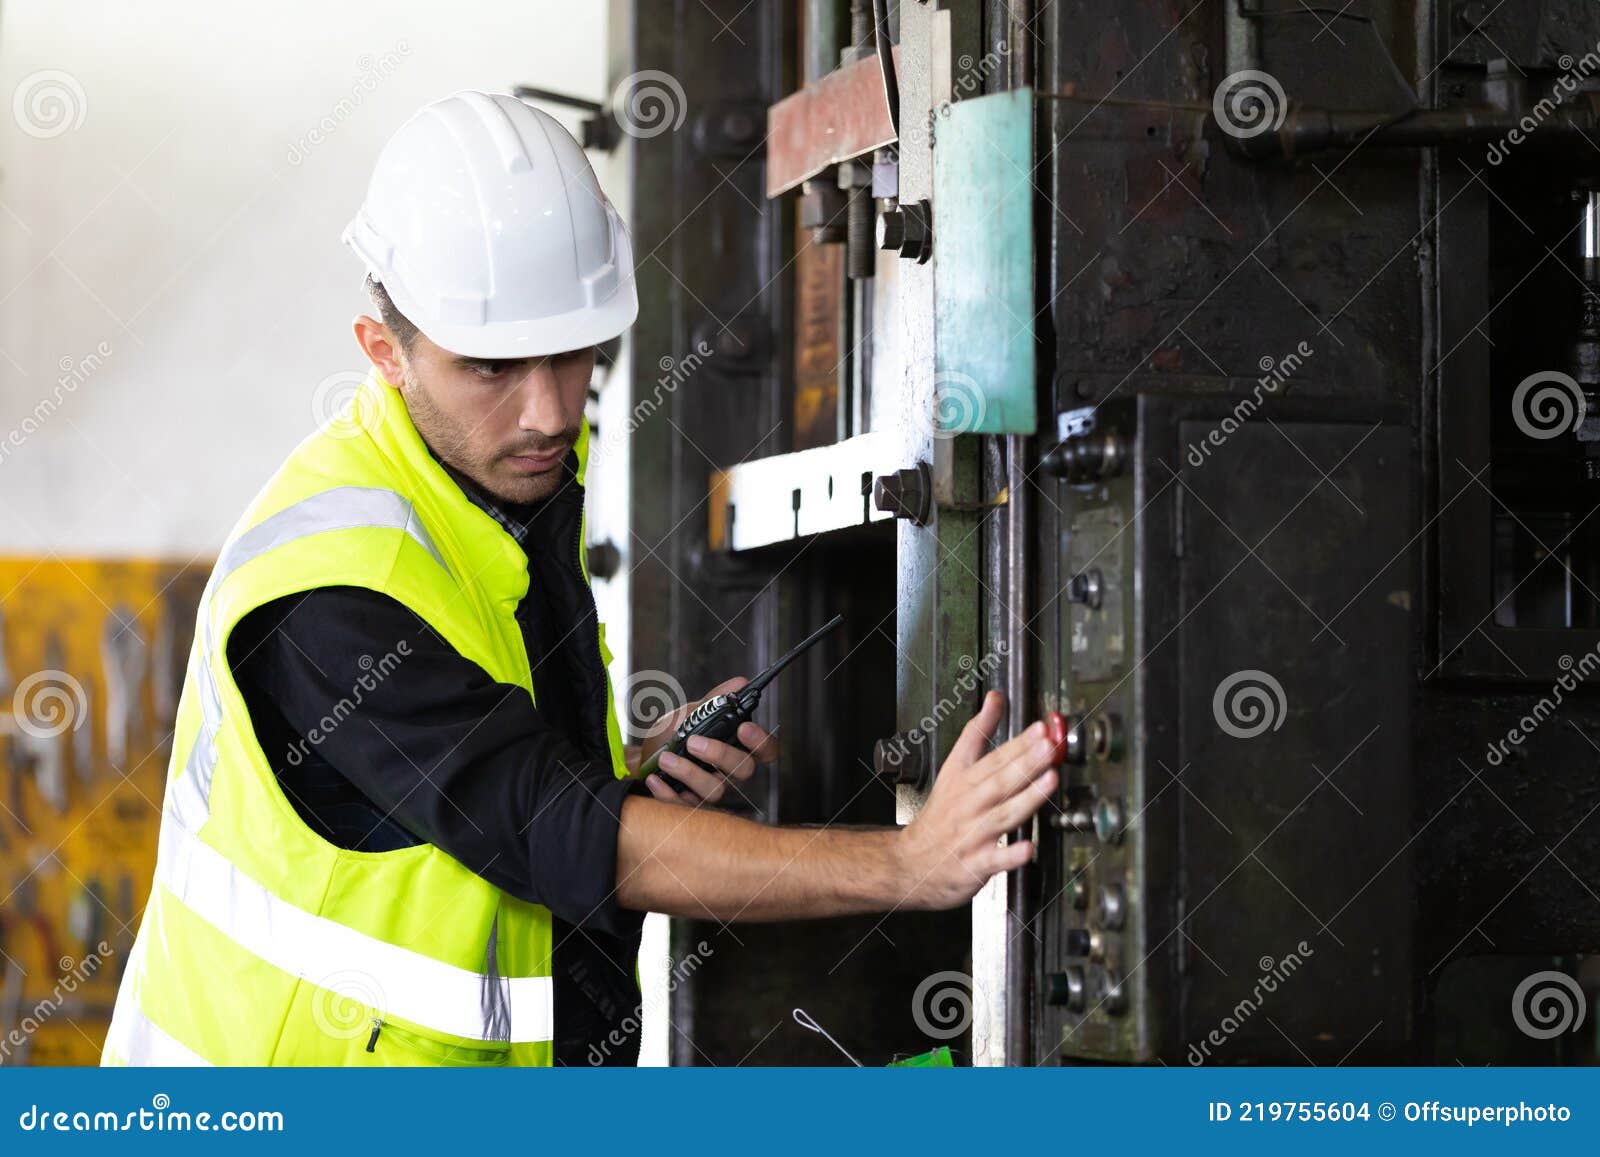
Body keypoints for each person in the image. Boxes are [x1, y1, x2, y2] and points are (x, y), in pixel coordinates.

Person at [102, 91, 1059, 1068]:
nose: (551, 411)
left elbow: (476, 796)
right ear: (386, 353)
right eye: (493, 368)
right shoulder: (333, 593)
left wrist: (629, 769)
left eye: (572, 354)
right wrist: (908, 862)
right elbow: (551, 827)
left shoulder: (494, 482)